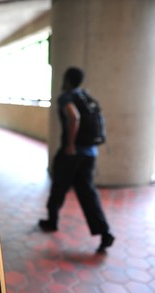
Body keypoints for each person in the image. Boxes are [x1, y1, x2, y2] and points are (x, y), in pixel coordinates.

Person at [38, 67, 114, 253]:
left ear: (68, 80)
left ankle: (52, 221)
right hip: (90, 153)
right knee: (88, 193)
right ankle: (104, 233)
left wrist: (70, 145)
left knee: (59, 186)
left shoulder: (67, 97)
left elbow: (74, 117)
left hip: (73, 153)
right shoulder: (85, 96)